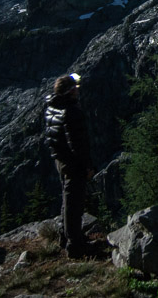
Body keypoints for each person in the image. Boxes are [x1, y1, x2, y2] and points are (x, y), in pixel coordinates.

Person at [44, 73, 95, 258]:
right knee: (75, 203)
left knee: (67, 201)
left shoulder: (52, 106)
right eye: (75, 88)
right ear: (69, 91)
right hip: (73, 164)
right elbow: (78, 144)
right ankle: (75, 246)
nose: (78, 91)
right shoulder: (71, 112)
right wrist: (86, 166)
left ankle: (66, 238)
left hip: (61, 160)